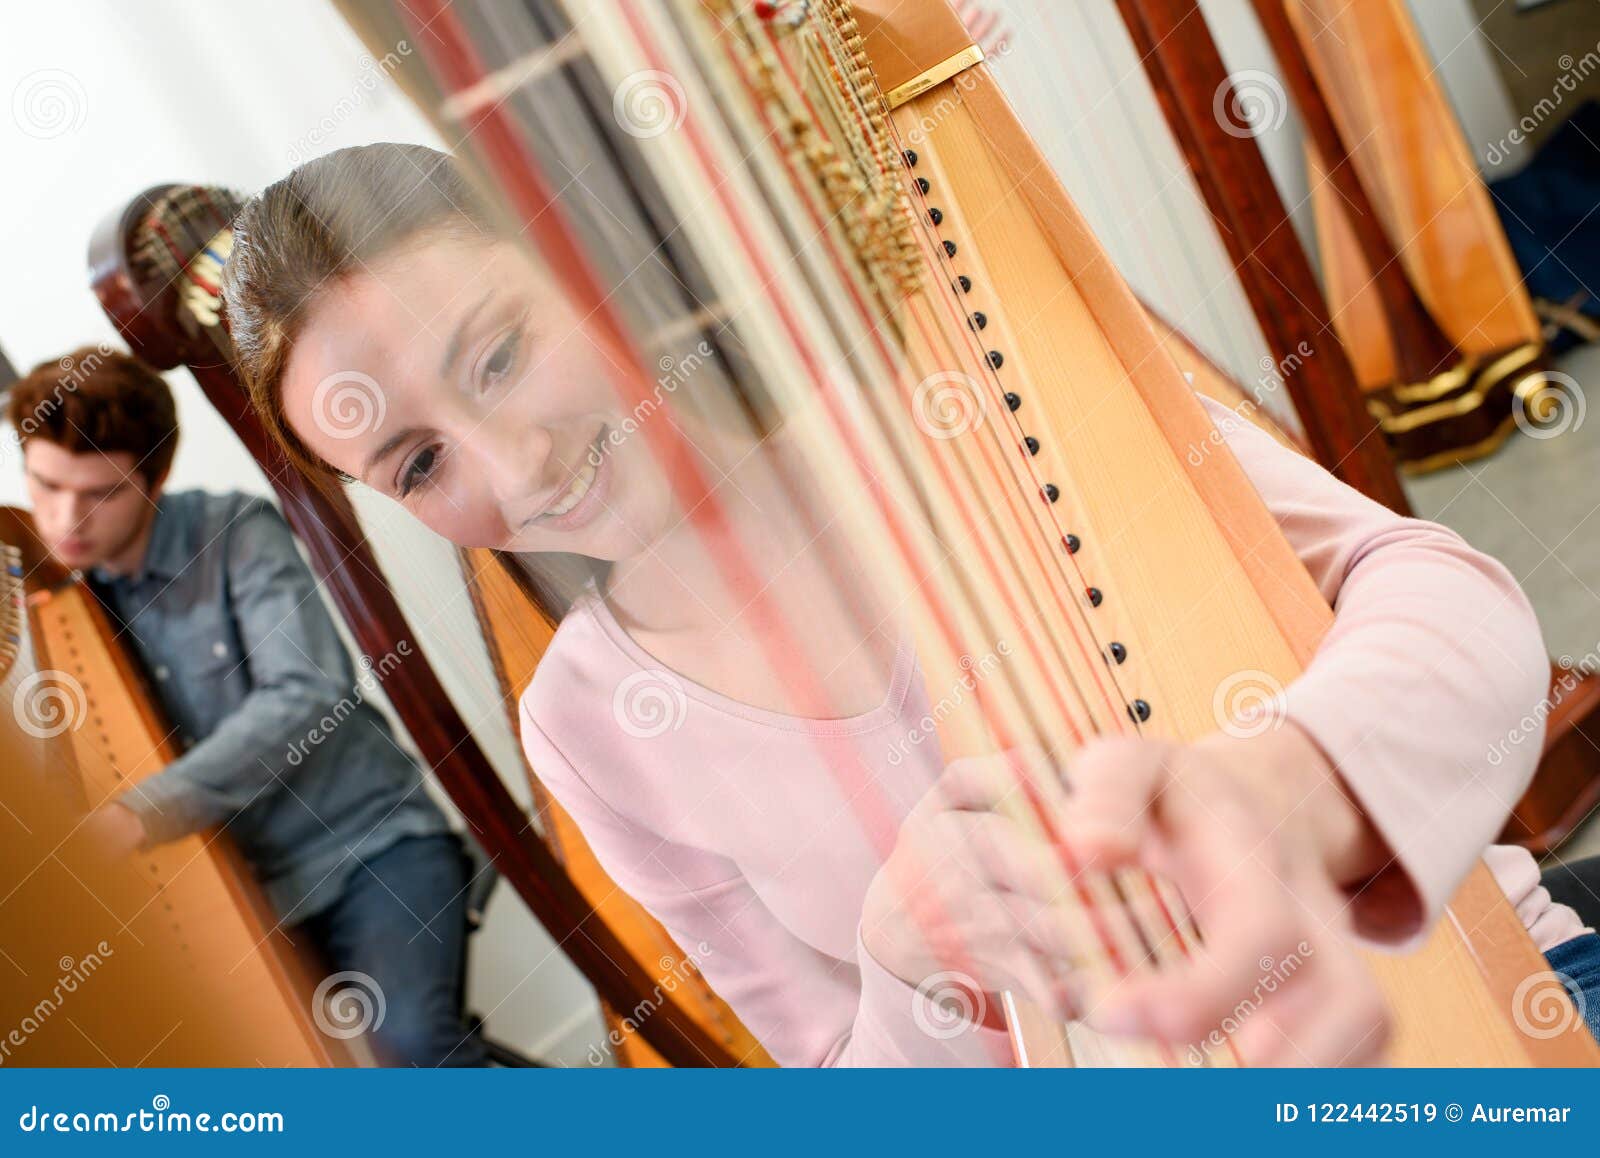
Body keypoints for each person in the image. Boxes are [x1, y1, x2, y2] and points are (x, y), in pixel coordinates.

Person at [222, 142, 1600, 1065]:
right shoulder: (587, 726)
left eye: (500, 353)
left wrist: (1282, 786)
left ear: (584, 271)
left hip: (1471, 1020)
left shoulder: (945, 388)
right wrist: (908, 970)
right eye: (415, 462)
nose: (512, 464)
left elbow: (1462, 613)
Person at [7, 347, 488, 1067]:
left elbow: (305, 694)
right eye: (45, 486)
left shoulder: (235, 533)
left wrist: (139, 813)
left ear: (156, 478)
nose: (64, 519)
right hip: (246, 897)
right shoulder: (63, 604)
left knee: (412, 1046)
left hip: (368, 847)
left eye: (99, 494)